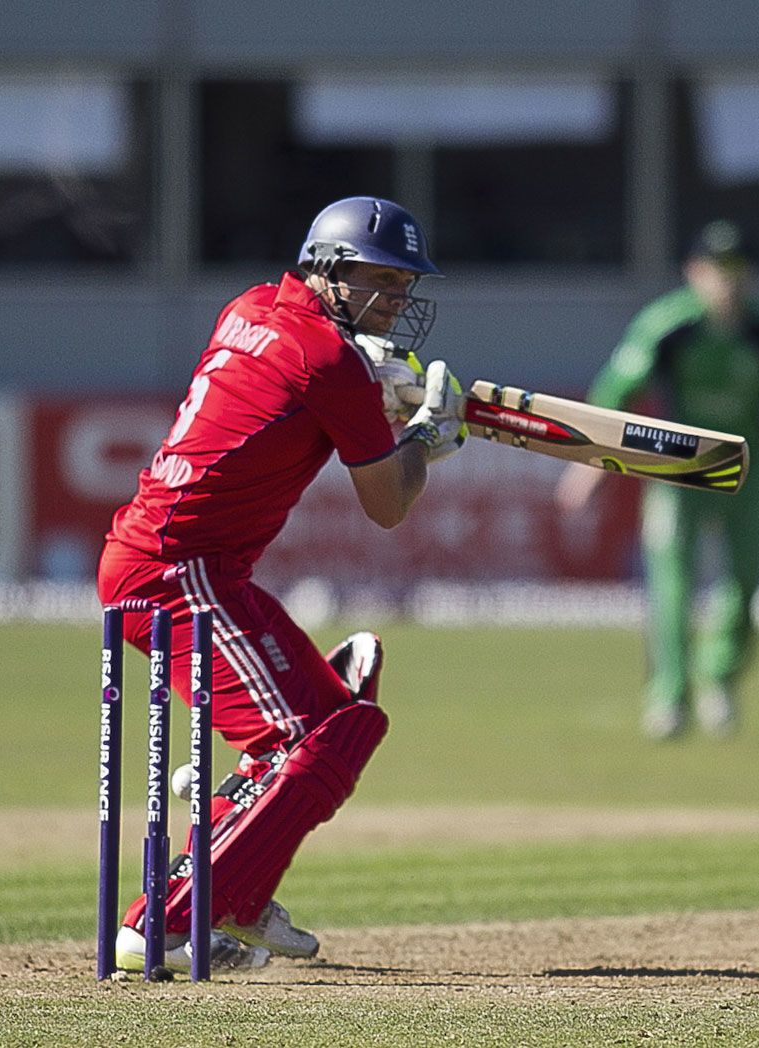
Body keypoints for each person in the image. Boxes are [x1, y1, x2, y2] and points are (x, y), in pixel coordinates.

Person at [97, 196, 464, 972]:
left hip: (174, 561)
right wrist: (425, 436)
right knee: (309, 738)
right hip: (176, 571)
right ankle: (168, 921)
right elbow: (389, 506)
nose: (396, 299)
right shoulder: (332, 364)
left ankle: (237, 858)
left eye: (405, 284)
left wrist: (372, 390)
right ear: (326, 269)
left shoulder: (251, 308)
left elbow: (294, 376)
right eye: (380, 280)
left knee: (340, 720)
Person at [556, 220, 759, 740]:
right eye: (717, 269)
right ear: (695, 272)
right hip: (677, 467)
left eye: (737, 269)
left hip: (745, 469)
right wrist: (589, 459)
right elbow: (617, 388)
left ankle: (720, 678)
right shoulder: (670, 325)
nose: (727, 281)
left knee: (748, 582)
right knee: (672, 585)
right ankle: (669, 697)